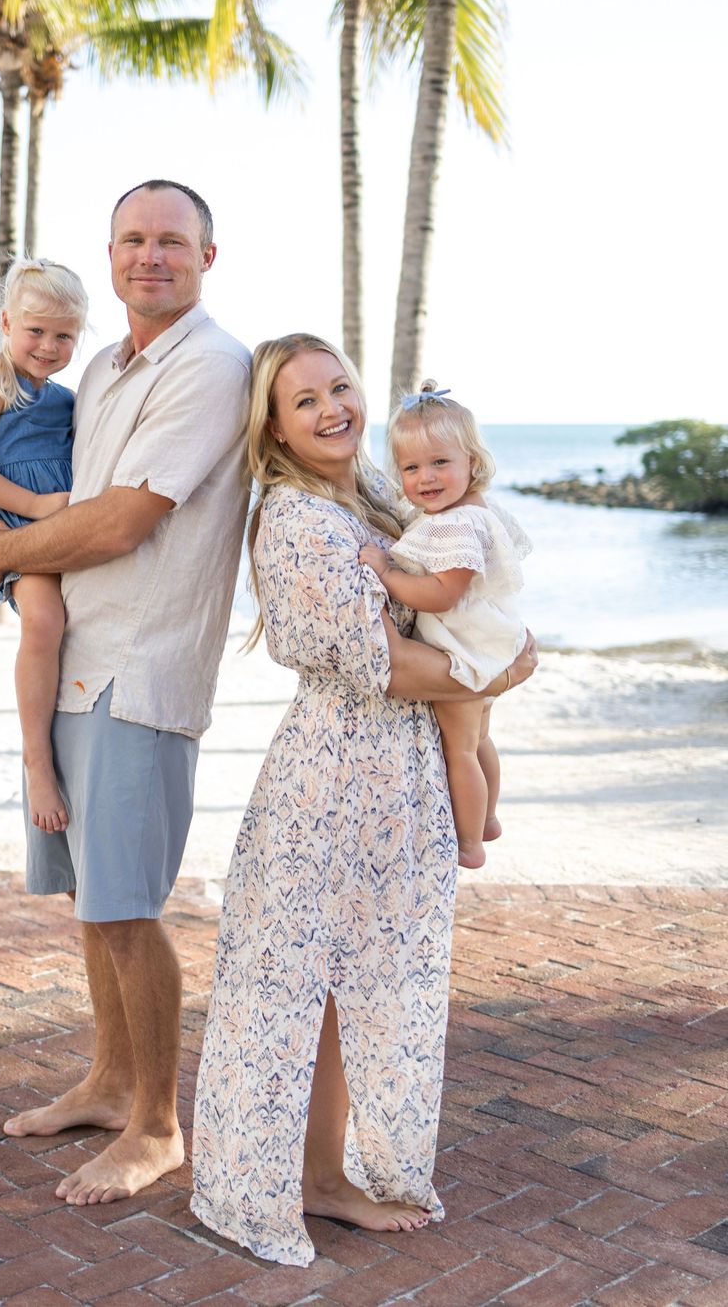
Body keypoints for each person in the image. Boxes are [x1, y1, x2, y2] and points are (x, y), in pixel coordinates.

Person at [190, 334, 537, 1267]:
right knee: (300, 985)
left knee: (365, 985)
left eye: (339, 387)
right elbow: (379, 663)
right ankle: (296, 1180)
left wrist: (490, 654)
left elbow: (459, 598)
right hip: (335, 781)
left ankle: (331, 1174)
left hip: (402, 774)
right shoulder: (297, 519)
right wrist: (498, 668)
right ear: (273, 426)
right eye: (304, 401)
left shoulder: (377, 496)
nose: (332, 408)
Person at [0, 180, 250, 1206]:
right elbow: (61, 495)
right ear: (112, 253)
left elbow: (123, 522)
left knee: (130, 906)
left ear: (207, 258)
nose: (150, 256)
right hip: (79, 656)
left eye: (172, 241)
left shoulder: (212, 366)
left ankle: (159, 1126)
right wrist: (1, 543)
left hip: (143, 671)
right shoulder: (100, 366)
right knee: (94, 898)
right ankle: (110, 1079)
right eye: (132, 239)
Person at [359, 381, 531, 869]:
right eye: (411, 467)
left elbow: (443, 593)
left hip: (465, 648)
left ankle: (471, 842)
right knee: (479, 739)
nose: (425, 478)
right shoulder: (475, 508)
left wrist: (388, 573)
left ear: (471, 463)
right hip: (492, 639)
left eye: (440, 463)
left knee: (459, 750)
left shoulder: (453, 524)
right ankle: (491, 818)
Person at [0, 257, 88, 835]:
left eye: (65, 335)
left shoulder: (66, 399)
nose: (49, 345)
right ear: (6, 323)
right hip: (17, 528)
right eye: (36, 331)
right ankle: (37, 761)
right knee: (43, 623)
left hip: (64, 528)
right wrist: (32, 509)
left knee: (75, 623)